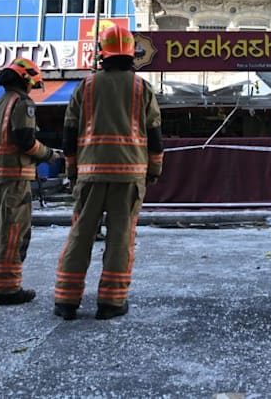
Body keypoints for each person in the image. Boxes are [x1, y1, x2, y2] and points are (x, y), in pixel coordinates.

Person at [54, 25, 163, 321]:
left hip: (90, 174)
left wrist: (72, 171)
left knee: (80, 234)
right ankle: (111, 302)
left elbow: (69, 133)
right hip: (129, 177)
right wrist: (154, 169)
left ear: (103, 53)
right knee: (120, 239)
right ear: (130, 53)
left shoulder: (86, 86)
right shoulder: (142, 88)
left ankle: (66, 300)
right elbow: (154, 135)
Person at [0, 58, 63, 305]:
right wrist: (48, 154)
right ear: (26, 81)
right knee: (14, 232)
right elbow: (25, 140)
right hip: (15, 179)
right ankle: (7, 289)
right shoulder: (23, 103)